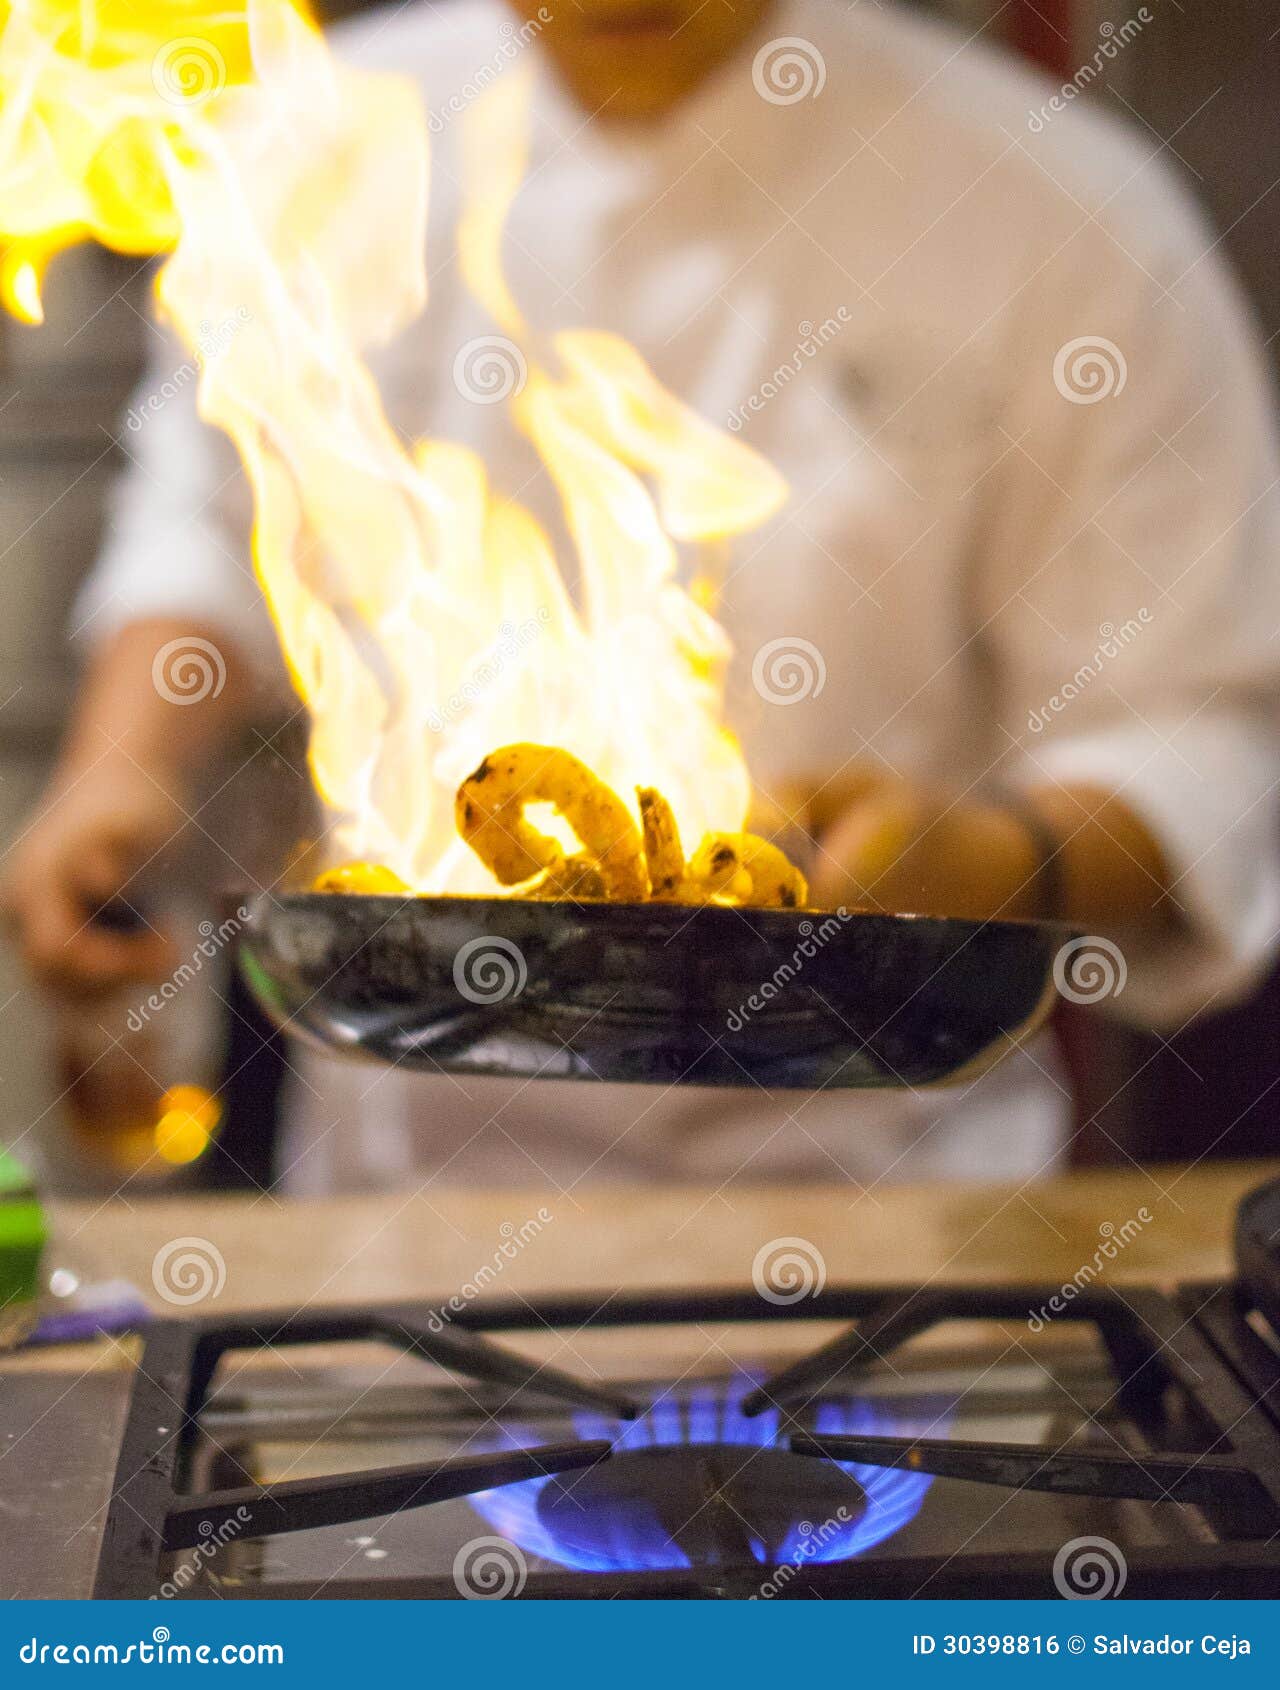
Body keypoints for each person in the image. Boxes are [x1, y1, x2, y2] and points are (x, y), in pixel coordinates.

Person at [4, 0, 1280, 1193]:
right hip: (399, 1214)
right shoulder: (318, 136)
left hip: (882, 1208)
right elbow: (210, 520)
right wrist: (122, 770)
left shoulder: (1056, 210)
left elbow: (1206, 732)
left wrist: (990, 857)